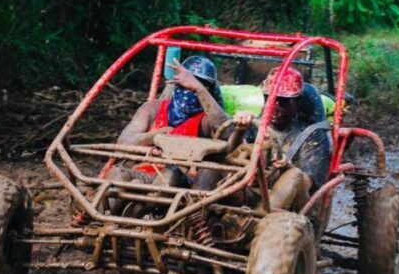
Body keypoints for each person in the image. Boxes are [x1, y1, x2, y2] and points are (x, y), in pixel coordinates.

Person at [110, 55, 229, 188]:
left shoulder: (206, 120)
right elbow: (122, 143)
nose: (188, 90)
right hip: (143, 172)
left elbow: (225, 130)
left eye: (198, 84)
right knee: (117, 174)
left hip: (182, 181)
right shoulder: (152, 108)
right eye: (184, 85)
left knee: (169, 176)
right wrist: (155, 136)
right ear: (176, 83)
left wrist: (198, 88)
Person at [233, 65, 332, 211]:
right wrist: (239, 131)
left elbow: (305, 184)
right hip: (251, 192)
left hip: (290, 204)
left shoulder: (312, 135)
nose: (275, 106)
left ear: (296, 103)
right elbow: (230, 158)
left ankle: (258, 221)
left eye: (283, 102)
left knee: (294, 176)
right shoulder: (254, 126)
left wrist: (288, 167)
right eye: (270, 99)